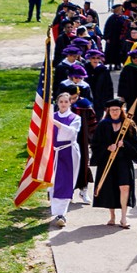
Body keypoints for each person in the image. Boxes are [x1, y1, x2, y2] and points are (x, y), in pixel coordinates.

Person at [91, 98, 137, 228]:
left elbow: (135, 147)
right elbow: (95, 144)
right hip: (107, 161)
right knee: (110, 188)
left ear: (121, 110)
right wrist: (107, 147)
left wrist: (125, 144)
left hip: (123, 161)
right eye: (112, 110)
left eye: (117, 110)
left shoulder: (128, 124)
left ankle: (124, 217)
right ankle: (112, 216)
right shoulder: (103, 125)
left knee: (125, 187)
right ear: (108, 111)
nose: (115, 112)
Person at [49, 91, 84, 227]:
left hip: (68, 151)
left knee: (65, 180)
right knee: (53, 180)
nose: (63, 104)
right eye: (61, 102)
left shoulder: (75, 118)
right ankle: (55, 208)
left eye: (66, 102)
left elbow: (71, 133)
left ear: (70, 103)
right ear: (57, 103)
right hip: (53, 151)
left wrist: (56, 123)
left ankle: (61, 213)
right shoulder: (51, 116)